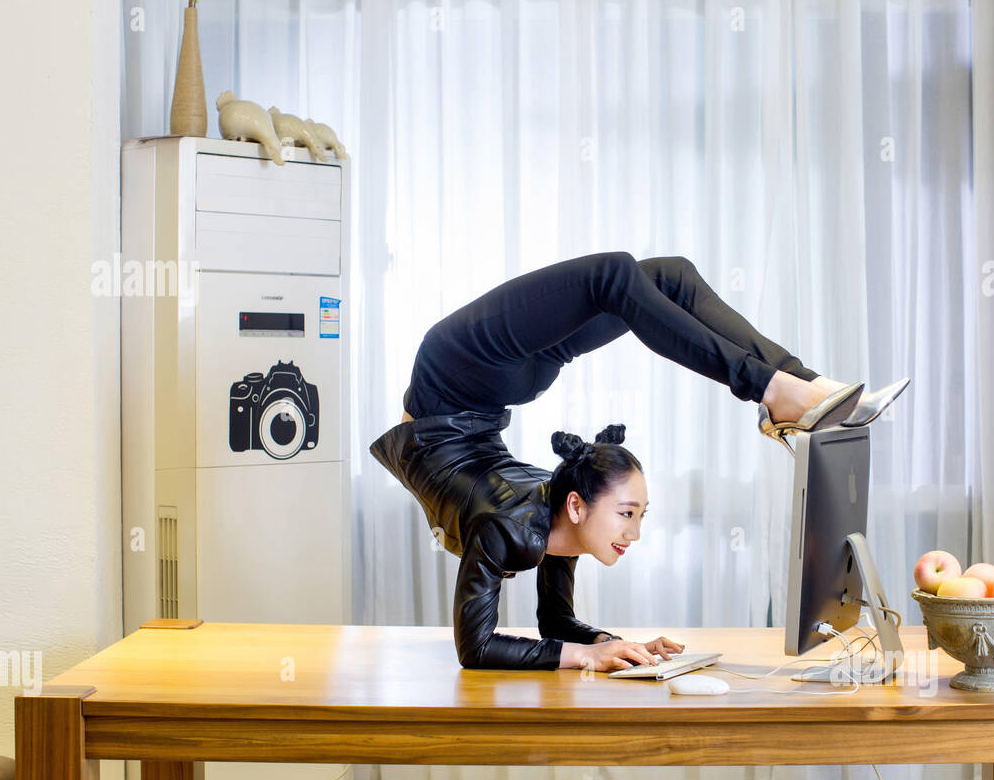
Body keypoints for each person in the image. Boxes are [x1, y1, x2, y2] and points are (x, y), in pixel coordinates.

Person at [369, 251, 908, 672]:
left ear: (575, 506)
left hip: (458, 382)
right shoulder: (529, 526)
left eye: (635, 515)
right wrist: (597, 651)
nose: (634, 533)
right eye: (628, 513)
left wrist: (609, 647)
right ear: (578, 507)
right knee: (619, 275)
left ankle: (806, 393)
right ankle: (784, 393)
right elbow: (478, 648)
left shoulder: (541, 521)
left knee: (667, 276)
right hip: (478, 381)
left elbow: (549, 625)